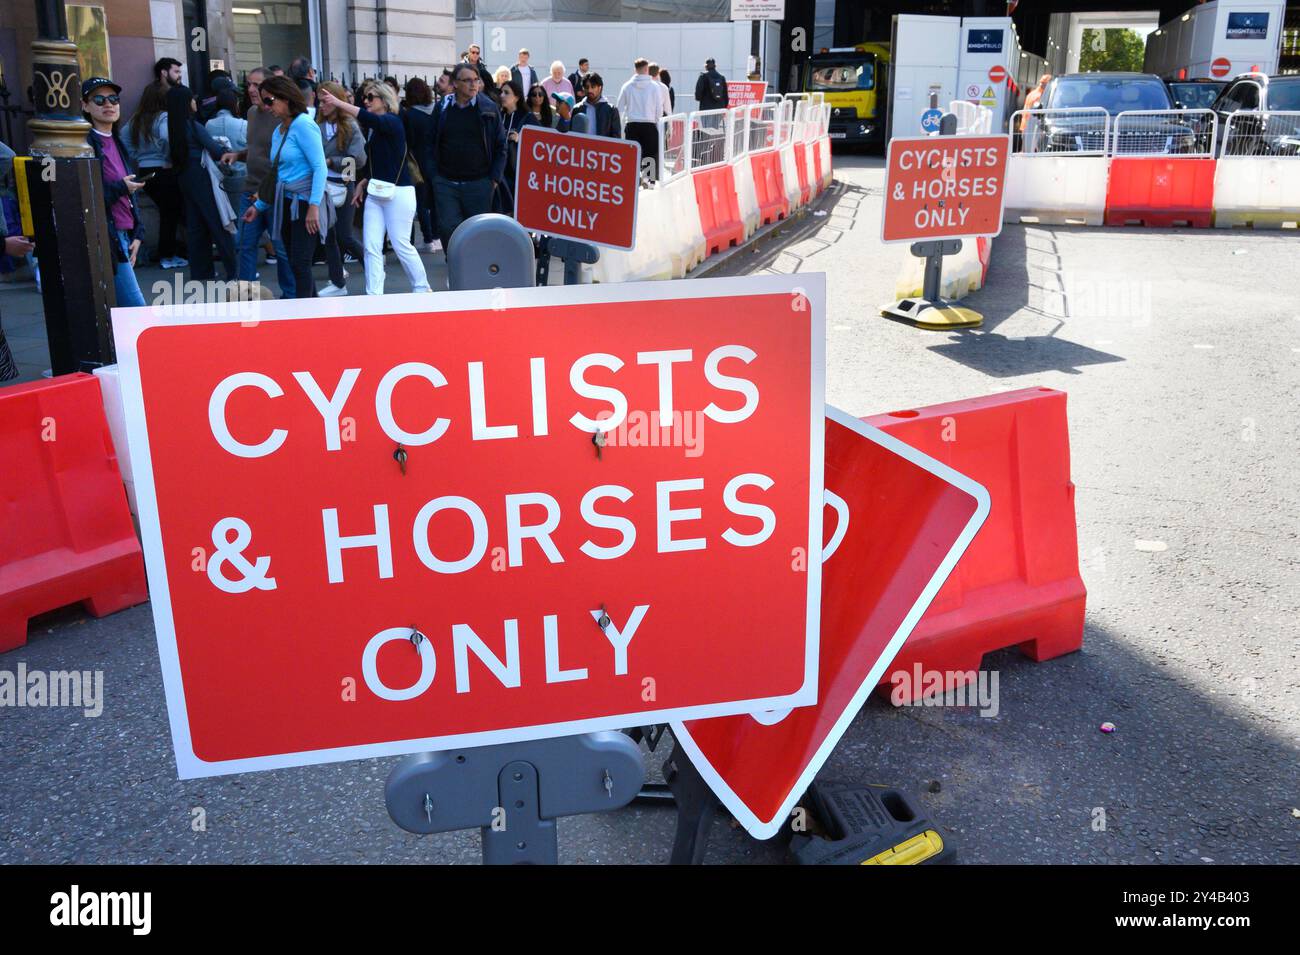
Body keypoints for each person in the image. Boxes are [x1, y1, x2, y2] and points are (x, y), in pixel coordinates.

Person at [319, 80, 431, 295]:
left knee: (400, 244)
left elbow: (366, 117)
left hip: (399, 192)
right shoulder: (375, 129)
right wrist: (364, 181)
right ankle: (374, 294)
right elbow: (378, 160)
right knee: (371, 247)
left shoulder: (392, 121)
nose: (366, 101)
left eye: (371, 97)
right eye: (365, 97)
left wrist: (338, 103)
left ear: (385, 100)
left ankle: (421, 286)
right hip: (376, 191)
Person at [243, 75, 330, 298]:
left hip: (303, 203)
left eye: (269, 100)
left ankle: (304, 316)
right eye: (264, 101)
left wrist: (313, 206)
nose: (266, 106)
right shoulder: (279, 130)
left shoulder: (304, 125)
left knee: (300, 263)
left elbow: (320, 167)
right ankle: (312, 309)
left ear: (286, 98)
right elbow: (278, 175)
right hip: (285, 202)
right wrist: (260, 205)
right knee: (295, 263)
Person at [224, 68, 295, 295]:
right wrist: (238, 155)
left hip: (275, 193)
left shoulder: (282, 117)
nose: (252, 90)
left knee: (282, 249)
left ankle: (292, 298)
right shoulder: (252, 113)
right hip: (250, 189)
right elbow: (257, 149)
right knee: (244, 244)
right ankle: (246, 298)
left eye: (258, 85)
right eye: (250, 85)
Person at [81, 76, 147, 308]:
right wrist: (122, 187)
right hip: (106, 235)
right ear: (85, 106)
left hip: (124, 235)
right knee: (136, 309)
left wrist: (138, 234)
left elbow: (129, 194)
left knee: (119, 310)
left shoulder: (117, 141)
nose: (108, 104)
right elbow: (87, 196)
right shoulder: (86, 143)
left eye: (113, 99)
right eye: (98, 99)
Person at [428, 63, 507, 256]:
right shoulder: (443, 108)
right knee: (448, 228)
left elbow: (501, 145)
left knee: (477, 232)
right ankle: (455, 265)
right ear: (455, 84)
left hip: (479, 182)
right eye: (467, 80)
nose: (473, 85)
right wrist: (434, 176)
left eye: (476, 80)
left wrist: (494, 179)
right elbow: (429, 143)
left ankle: (475, 271)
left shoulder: (488, 108)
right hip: (446, 182)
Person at [165, 84, 237, 281]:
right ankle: (234, 271)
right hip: (202, 176)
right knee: (218, 223)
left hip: (185, 178)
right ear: (186, 103)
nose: (195, 102)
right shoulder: (194, 126)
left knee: (196, 226)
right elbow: (215, 150)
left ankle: (201, 271)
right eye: (192, 99)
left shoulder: (174, 128)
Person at [125, 81, 187, 268]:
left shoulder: (136, 119)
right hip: (163, 169)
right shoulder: (164, 117)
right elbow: (168, 137)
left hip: (145, 171)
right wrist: (168, 157)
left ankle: (168, 253)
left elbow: (123, 139)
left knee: (167, 212)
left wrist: (138, 156)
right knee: (170, 214)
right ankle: (167, 255)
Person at [316, 80, 367, 296]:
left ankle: (373, 269)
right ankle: (338, 283)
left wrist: (330, 162)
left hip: (343, 186)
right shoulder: (316, 125)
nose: (321, 105)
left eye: (325, 100)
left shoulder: (351, 126)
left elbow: (357, 160)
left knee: (344, 236)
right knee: (329, 237)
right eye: (319, 100)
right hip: (323, 186)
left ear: (336, 99)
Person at [403, 77, 439, 253]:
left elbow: (407, 141)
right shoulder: (436, 111)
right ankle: (437, 237)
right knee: (435, 199)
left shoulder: (409, 115)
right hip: (436, 160)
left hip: (417, 161)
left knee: (421, 202)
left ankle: (428, 238)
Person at [617, 59, 668, 184]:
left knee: (632, 156)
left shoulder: (627, 86)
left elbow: (619, 108)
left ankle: (632, 182)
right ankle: (648, 182)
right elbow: (659, 109)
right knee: (649, 155)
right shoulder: (655, 87)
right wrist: (656, 121)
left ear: (635, 69)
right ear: (647, 69)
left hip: (632, 124)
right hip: (649, 124)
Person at [499, 79, 538, 214]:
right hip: (500, 173)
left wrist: (520, 139)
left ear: (516, 97)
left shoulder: (528, 118)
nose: (502, 96)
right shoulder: (499, 116)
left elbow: (539, 145)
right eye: (501, 92)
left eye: (506, 93)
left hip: (519, 176)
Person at [572, 74, 622, 139]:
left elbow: (616, 139)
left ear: (599, 88)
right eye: (587, 87)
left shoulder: (611, 110)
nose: (589, 90)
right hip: (582, 148)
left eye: (593, 87)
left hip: (602, 148)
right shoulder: (577, 109)